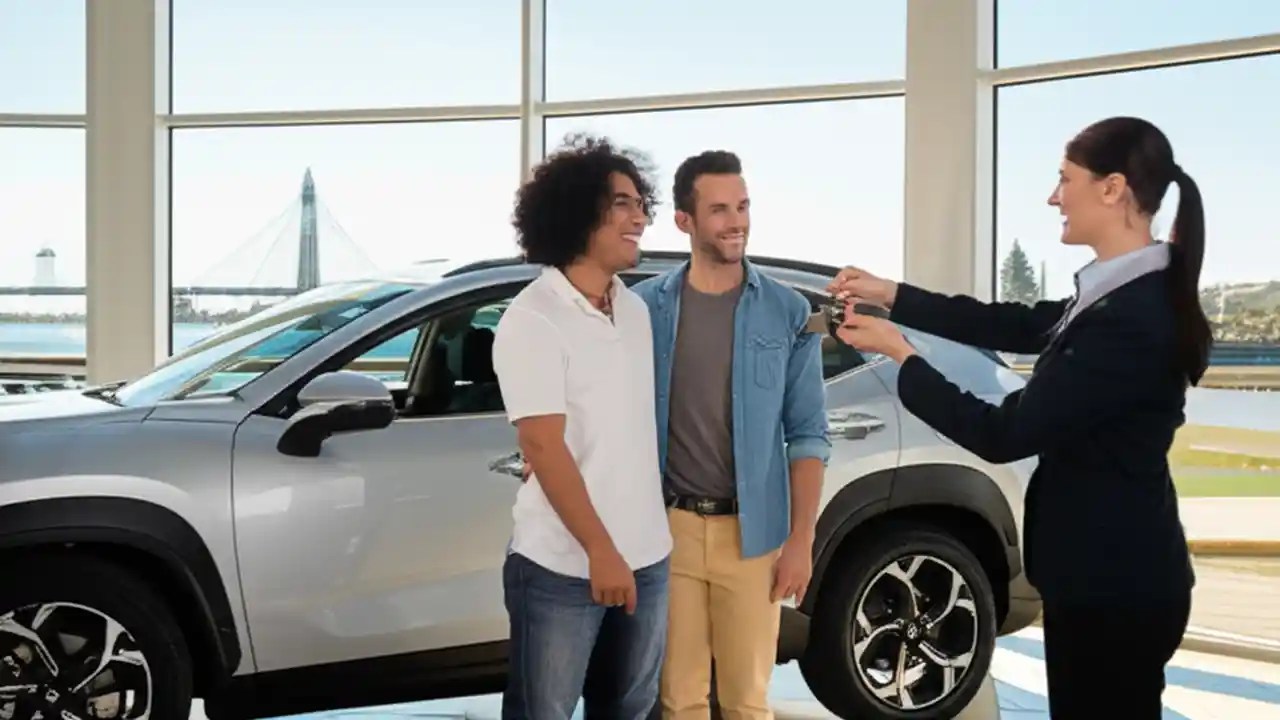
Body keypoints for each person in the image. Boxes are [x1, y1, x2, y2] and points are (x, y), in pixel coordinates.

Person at [828, 116, 1205, 719]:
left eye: (1065, 179)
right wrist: (893, 293)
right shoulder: (1119, 295)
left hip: (1114, 585)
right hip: (1113, 574)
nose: (1055, 197)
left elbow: (1002, 433)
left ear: (1112, 189)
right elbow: (1008, 322)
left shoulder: (1127, 320)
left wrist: (902, 356)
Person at [631, 150, 830, 719]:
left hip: (754, 536)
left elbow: (808, 434)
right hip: (668, 530)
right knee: (679, 701)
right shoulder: (644, 309)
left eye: (742, 207)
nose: (736, 221)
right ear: (684, 221)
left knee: (746, 702)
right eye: (719, 210)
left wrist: (801, 541)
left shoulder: (788, 311)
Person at [491, 134, 673, 720]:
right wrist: (601, 552)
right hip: (562, 566)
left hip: (648, 556)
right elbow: (543, 447)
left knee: (629, 710)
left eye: (640, 203)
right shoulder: (533, 320)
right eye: (622, 204)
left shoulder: (636, 310)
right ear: (576, 213)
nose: (640, 218)